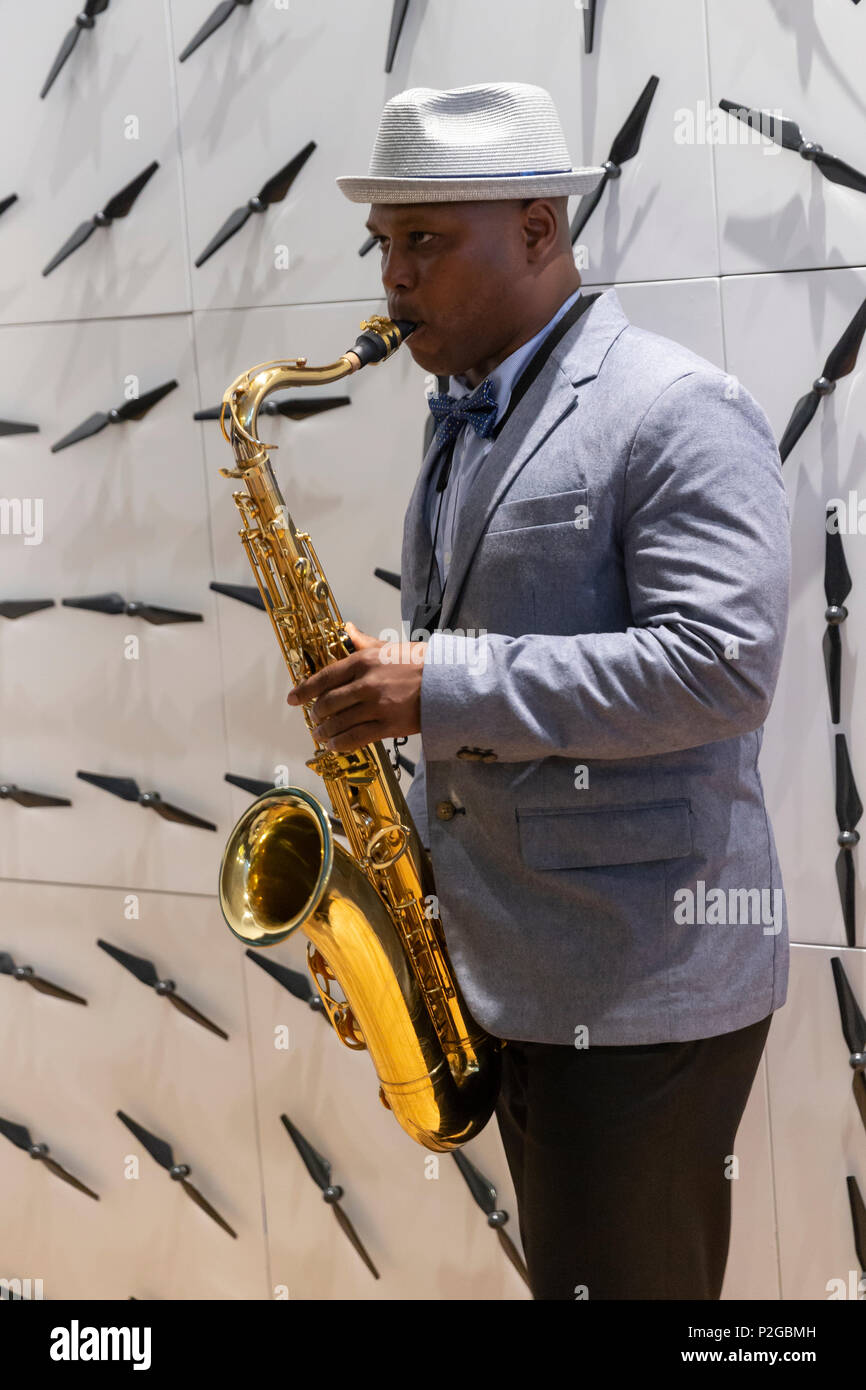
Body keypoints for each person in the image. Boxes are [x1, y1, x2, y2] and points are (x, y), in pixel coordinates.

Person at [287, 82, 792, 1300]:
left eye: (424, 241)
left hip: (638, 982)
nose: (393, 278)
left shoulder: (674, 411)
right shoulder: (459, 417)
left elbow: (719, 666)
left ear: (534, 228)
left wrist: (436, 681)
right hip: (508, 962)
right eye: (385, 243)